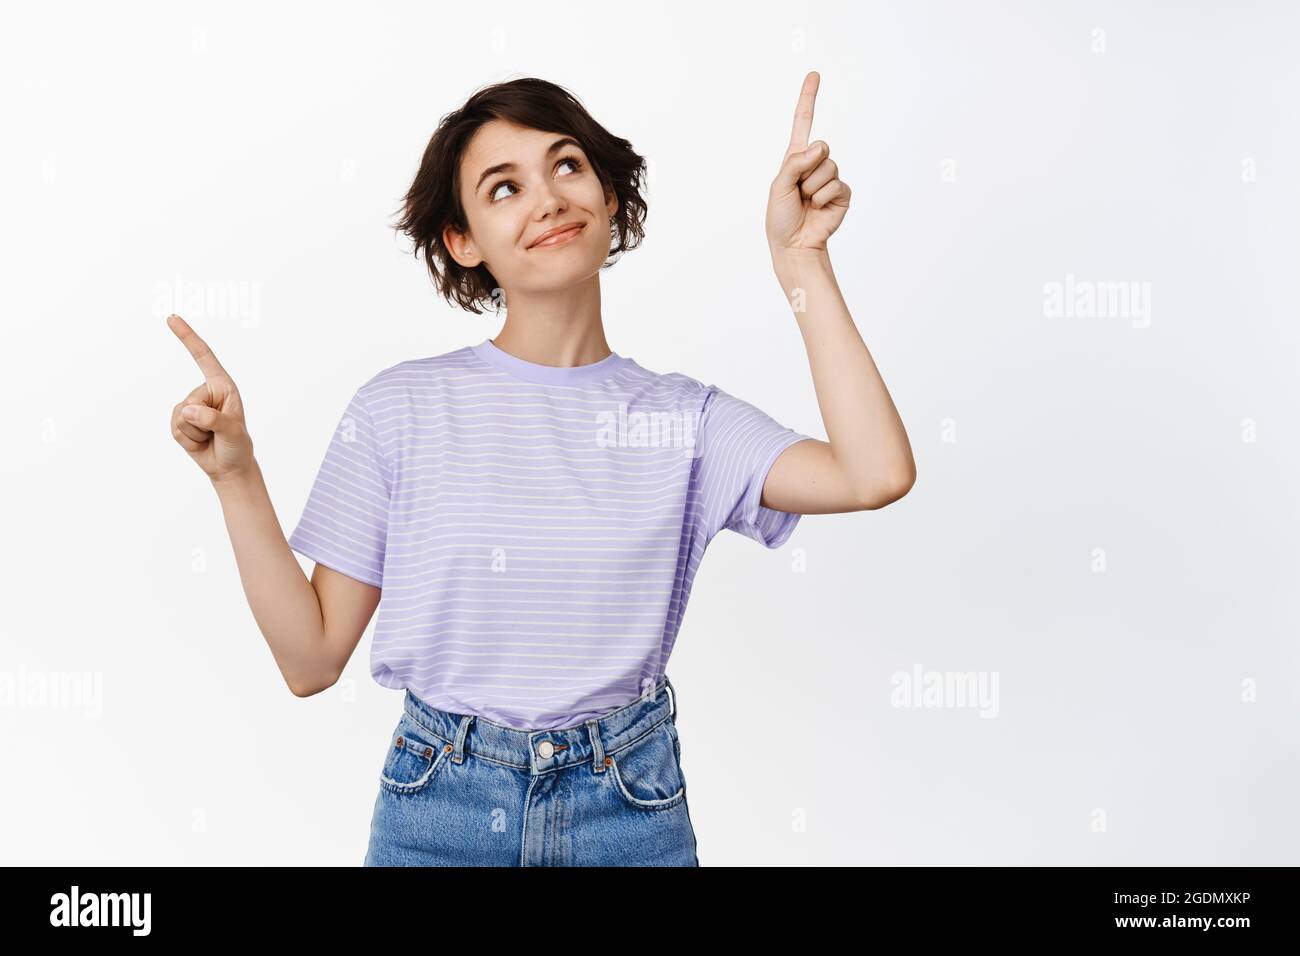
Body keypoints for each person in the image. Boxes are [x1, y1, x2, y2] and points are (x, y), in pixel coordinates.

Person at [167, 72, 915, 866]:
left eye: (567, 166)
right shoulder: (401, 409)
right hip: (439, 809)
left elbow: (874, 474)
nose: (549, 198)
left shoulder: (684, 421)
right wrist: (236, 477)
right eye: (504, 188)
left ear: (609, 197)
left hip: (628, 809)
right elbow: (310, 661)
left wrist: (801, 262)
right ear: (463, 241)